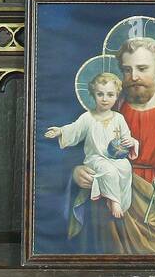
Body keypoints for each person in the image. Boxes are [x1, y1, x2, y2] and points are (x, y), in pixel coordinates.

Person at [70, 36, 155, 255]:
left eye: (142, 68)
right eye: (126, 70)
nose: (133, 77)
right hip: (113, 216)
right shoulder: (105, 110)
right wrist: (77, 172)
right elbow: (82, 152)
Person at [45, 71, 138, 220]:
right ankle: (114, 201)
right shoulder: (88, 117)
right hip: (95, 159)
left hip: (114, 158)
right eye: (100, 94)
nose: (105, 99)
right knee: (108, 171)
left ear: (116, 95)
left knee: (126, 167)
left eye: (110, 94)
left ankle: (122, 202)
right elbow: (74, 129)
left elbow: (127, 137)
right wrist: (61, 131)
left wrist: (132, 142)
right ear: (93, 95)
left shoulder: (119, 118)